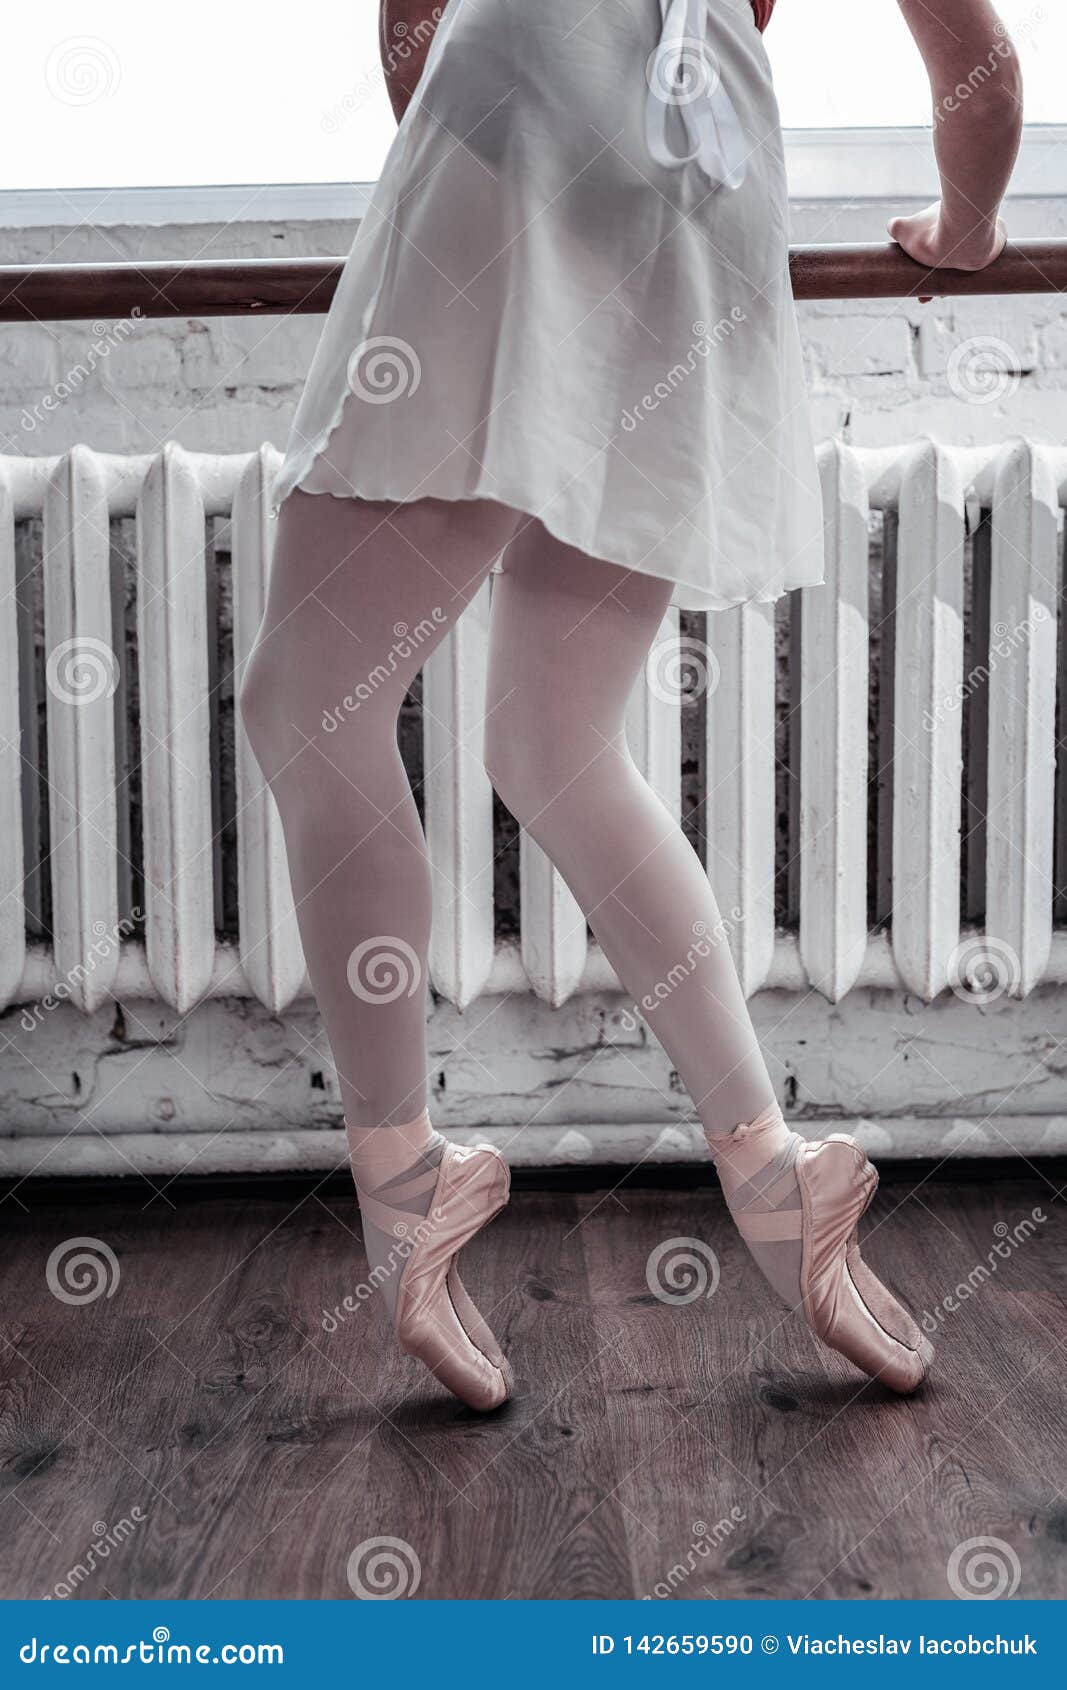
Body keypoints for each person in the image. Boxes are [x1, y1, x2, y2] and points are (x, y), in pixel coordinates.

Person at [240, 0, 1022, 1410]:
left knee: (311, 705)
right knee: (555, 740)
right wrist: (965, 230)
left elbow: (415, 18)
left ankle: (406, 1176)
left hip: (527, 104)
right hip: (699, 202)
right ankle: (772, 1172)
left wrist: (475, 181)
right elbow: (981, 66)